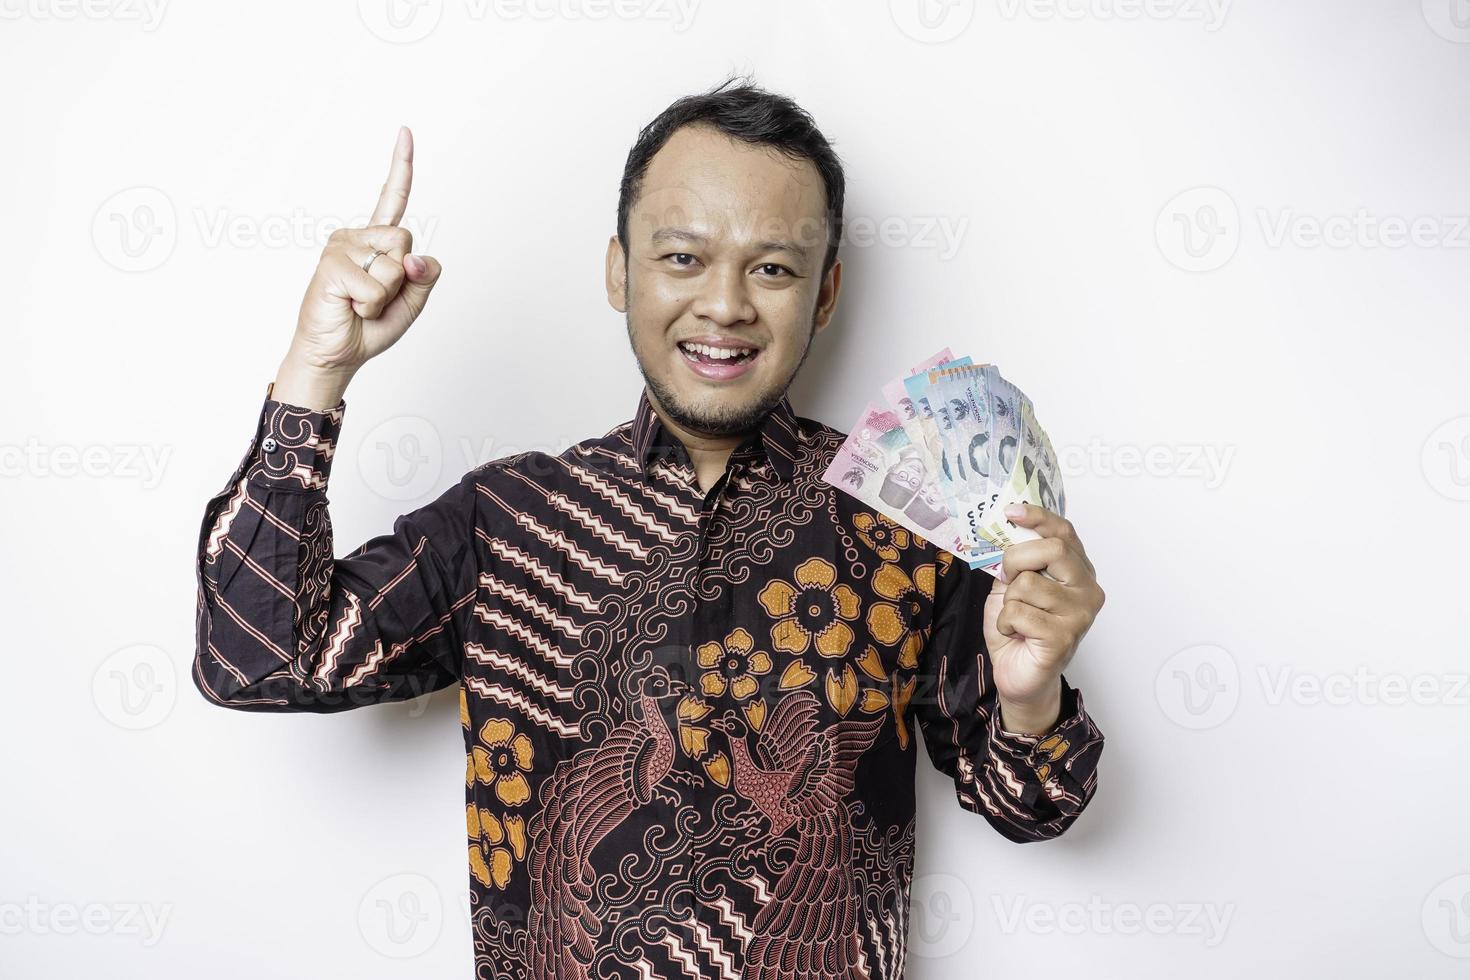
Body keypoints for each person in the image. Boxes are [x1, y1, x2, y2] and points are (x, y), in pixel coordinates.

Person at [193, 77, 1107, 979]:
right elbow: (257, 662)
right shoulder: (504, 525)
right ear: (618, 271)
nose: (726, 304)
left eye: (773, 268)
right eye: (682, 257)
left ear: (825, 295)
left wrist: (1031, 698)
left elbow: (1032, 804)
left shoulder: (909, 529)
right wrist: (315, 371)